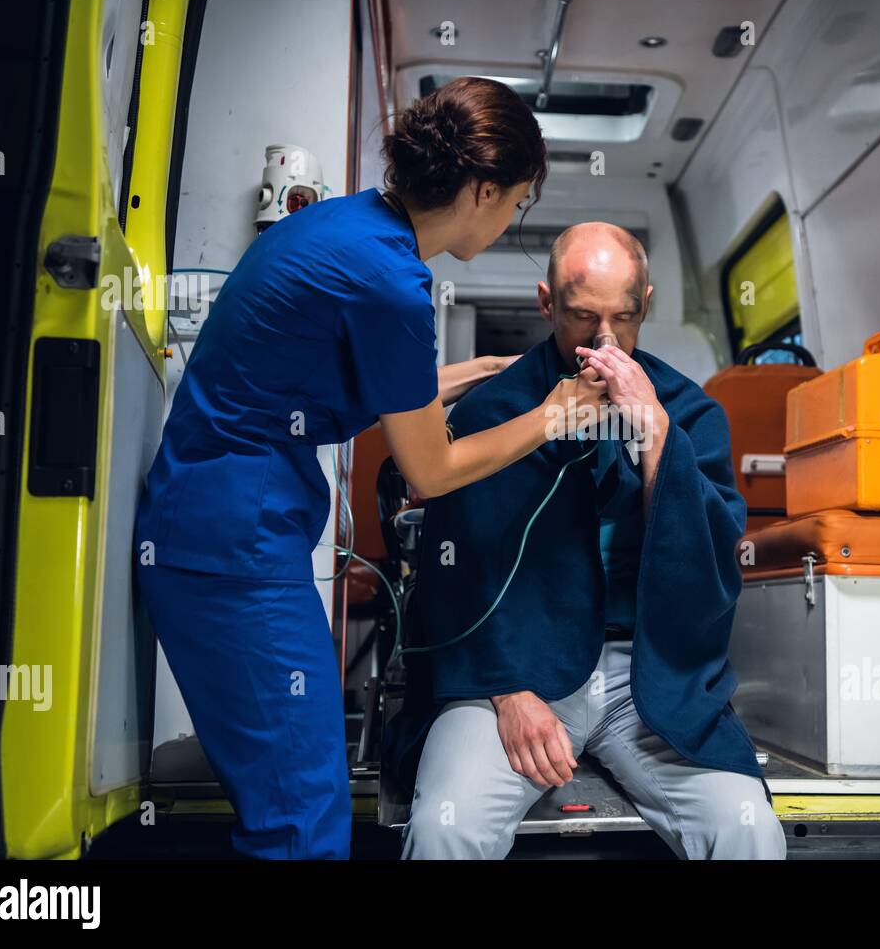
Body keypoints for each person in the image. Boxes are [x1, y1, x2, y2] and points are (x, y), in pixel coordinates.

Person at [133, 77, 605, 859]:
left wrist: (462, 376)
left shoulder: (347, 225)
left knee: (290, 803)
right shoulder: (391, 280)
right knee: (302, 820)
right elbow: (431, 470)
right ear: (484, 189)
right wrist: (555, 413)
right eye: (515, 201)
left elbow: (319, 385)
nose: (508, 217)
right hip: (235, 550)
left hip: (210, 523)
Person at [393, 222, 788, 859]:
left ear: (647, 304)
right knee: (447, 826)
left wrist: (657, 437)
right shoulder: (494, 411)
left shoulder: (689, 413)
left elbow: (716, 565)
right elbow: (451, 576)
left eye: (624, 317)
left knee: (745, 824)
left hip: (649, 678)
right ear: (547, 304)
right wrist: (507, 691)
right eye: (581, 316)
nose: (604, 339)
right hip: (515, 672)